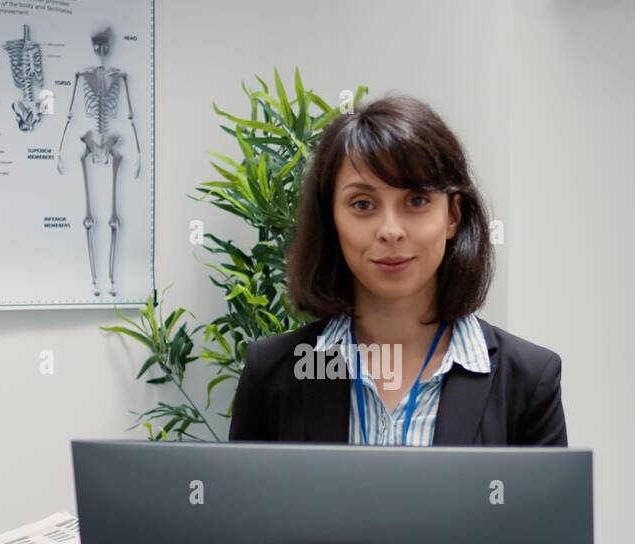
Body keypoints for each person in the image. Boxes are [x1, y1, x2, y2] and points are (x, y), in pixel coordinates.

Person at [228, 94, 566, 446]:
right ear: (332, 218)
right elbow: (243, 502)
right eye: (363, 204)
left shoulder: (527, 381)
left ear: (452, 215)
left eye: (416, 201)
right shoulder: (273, 374)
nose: (391, 230)